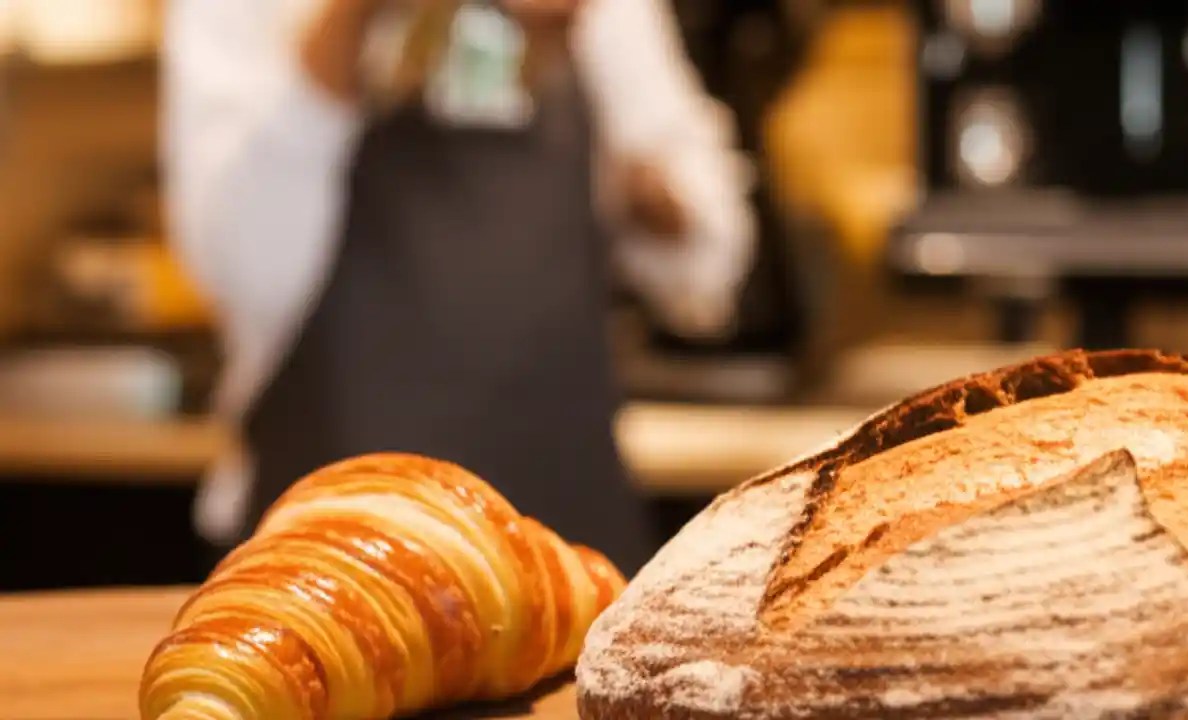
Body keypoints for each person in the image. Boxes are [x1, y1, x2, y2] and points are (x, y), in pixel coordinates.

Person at [164, 0, 756, 574]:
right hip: (331, 564)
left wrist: (578, 82)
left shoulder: (611, 17)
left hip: (565, 549)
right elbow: (241, 269)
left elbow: (707, 263)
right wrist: (353, 15)